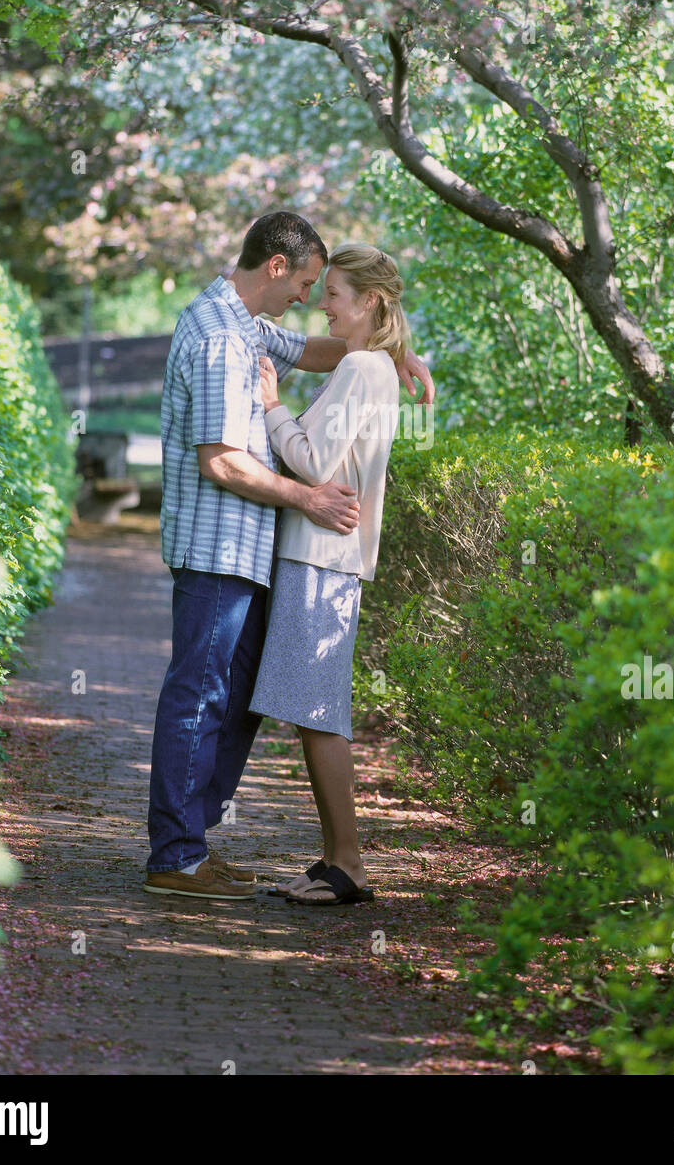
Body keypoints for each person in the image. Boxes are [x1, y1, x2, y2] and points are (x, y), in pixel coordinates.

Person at [144, 213, 432, 901]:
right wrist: (302, 497)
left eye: (327, 289)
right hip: (219, 548)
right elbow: (222, 461)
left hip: (261, 552)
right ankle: (178, 857)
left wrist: (391, 353)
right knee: (203, 697)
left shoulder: (248, 327)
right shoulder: (219, 336)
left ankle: (191, 845)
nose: (310, 297)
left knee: (237, 702)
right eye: (308, 282)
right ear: (276, 267)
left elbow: (314, 350)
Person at [248, 243, 411, 907]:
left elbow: (314, 463)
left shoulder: (365, 369)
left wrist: (271, 404)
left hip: (321, 555)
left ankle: (349, 866)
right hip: (323, 556)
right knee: (313, 712)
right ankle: (335, 859)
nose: (324, 304)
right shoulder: (373, 366)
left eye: (335, 294)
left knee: (319, 713)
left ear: (369, 301)